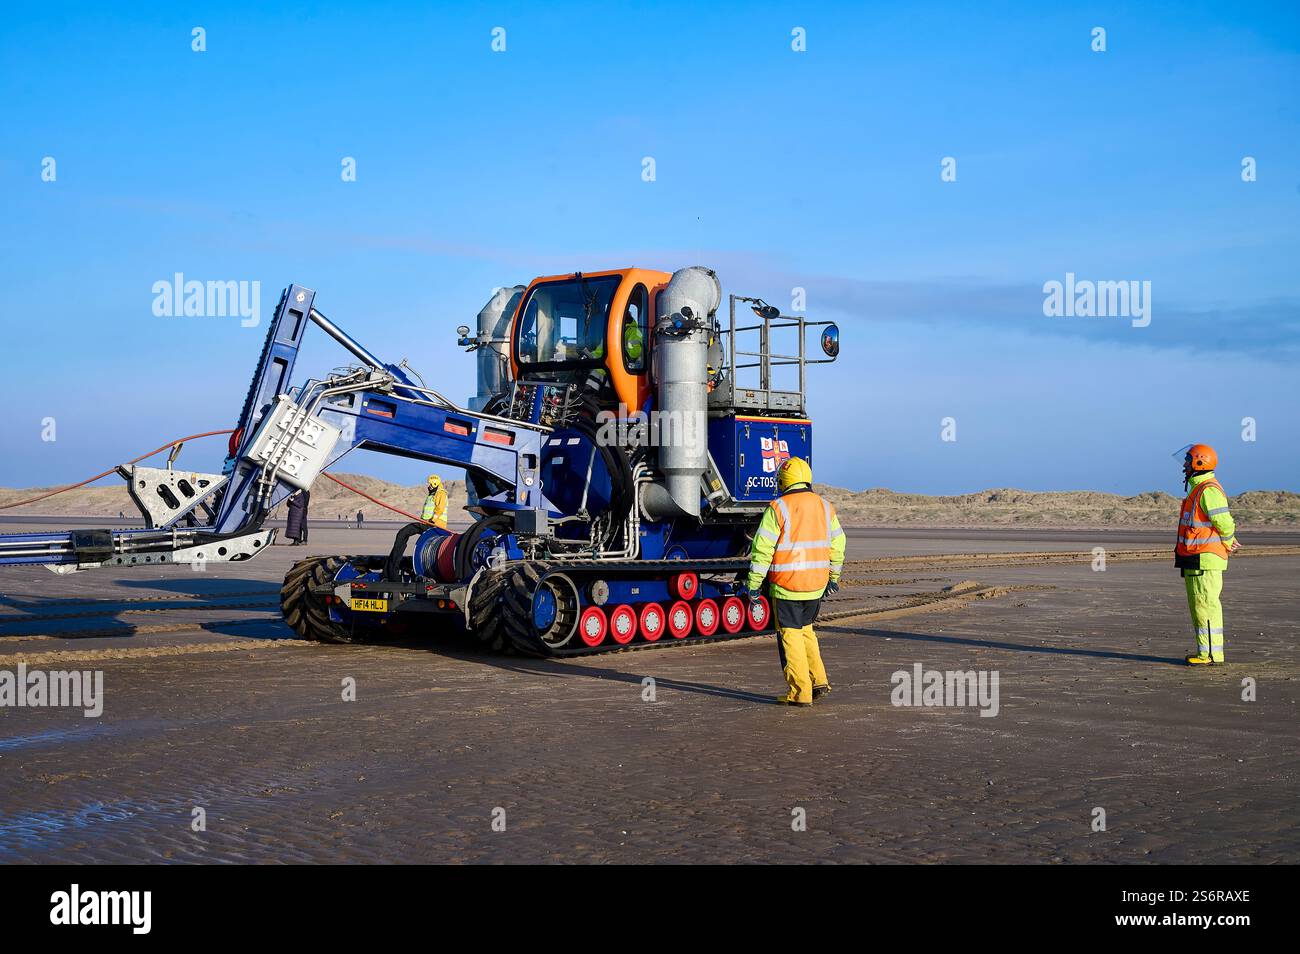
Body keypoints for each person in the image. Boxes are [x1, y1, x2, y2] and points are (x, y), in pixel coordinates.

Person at [742, 457, 846, 706]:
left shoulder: (778, 508)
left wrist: (754, 584)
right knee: (806, 631)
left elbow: (762, 550)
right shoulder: (824, 506)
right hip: (816, 585)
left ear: (782, 481)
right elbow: (839, 543)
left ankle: (800, 693)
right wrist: (833, 577)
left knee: (790, 637)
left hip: (787, 586)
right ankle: (818, 681)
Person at [1174, 443, 1240, 665]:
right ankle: (1206, 652)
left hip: (1204, 558)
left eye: (1187, 461)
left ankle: (1210, 654)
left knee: (1205, 605)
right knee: (1199, 606)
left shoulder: (1207, 489)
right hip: (1195, 557)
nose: (1184, 465)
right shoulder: (1198, 488)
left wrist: (1228, 541)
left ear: (1199, 462)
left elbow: (1224, 521)